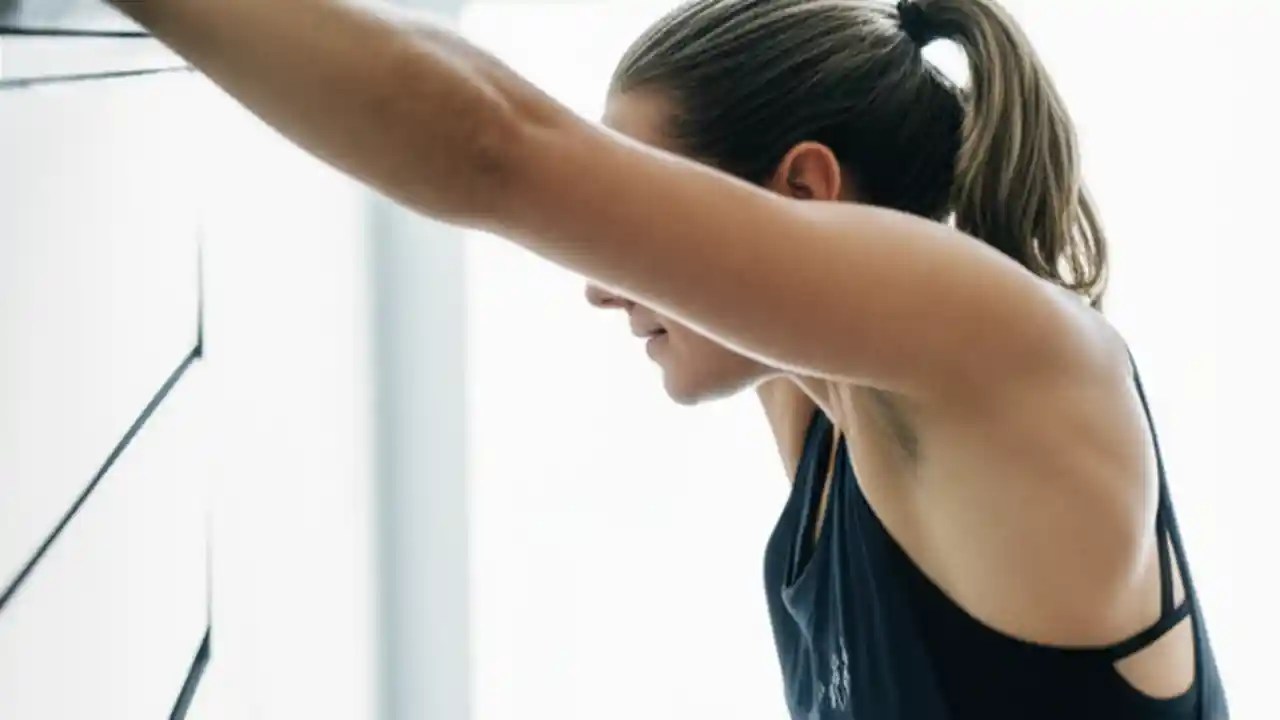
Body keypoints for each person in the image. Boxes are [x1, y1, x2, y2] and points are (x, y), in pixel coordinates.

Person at [109, 0, 1226, 717]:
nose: (600, 279)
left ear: (799, 193)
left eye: (649, 215)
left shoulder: (1010, 356)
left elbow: (497, 148)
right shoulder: (828, 431)